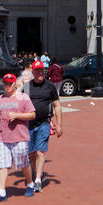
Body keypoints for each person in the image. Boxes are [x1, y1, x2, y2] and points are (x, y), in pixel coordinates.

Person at [0, 73, 37, 203]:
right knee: (3, 164)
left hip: (20, 137)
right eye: (5, 83)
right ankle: (2, 192)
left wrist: (17, 115)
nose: (7, 86)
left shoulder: (23, 98)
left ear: (15, 84)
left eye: (10, 83)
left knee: (22, 163)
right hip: (3, 137)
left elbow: (32, 115)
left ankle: (30, 183)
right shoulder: (0, 99)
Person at [25, 60, 63, 193]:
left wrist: (59, 125)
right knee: (31, 153)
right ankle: (35, 173)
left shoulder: (50, 86)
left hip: (44, 123)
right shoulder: (27, 86)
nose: (40, 73)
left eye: (42, 70)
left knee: (40, 152)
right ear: (33, 72)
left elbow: (57, 105)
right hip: (28, 125)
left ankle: (37, 180)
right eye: (37, 70)